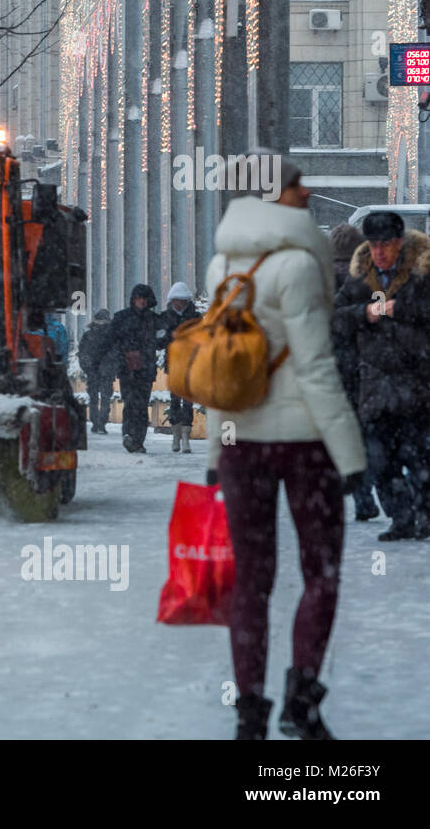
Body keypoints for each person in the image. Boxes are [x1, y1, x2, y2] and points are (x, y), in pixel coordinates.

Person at [205, 160, 366, 740]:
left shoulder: (223, 262)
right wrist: (350, 456)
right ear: (280, 198)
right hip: (304, 445)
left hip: (242, 445)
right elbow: (317, 367)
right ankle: (302, 698)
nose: (311, 191)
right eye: (301, 186)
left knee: (251, 580)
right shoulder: (300, 263)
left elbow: (219, 364)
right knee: (320, 573)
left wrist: (213, 451)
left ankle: (250, 712)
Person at [332, 211, 430, 542]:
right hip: (374, 387)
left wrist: (398, 310)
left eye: (386, 244)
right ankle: (401, 517)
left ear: (399, 243)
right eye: (374, 245)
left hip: (417, 384)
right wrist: (365, 313)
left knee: (418, 456)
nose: (380, 252)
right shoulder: (360, 280)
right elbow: (334, 319)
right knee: (379, 460)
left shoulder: (420, 275)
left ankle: (425, 515)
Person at [329, 222, 381, 523]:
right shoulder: (368, 279)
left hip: (327, 367)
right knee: (367, 434)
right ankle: (365, 494)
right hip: (366, 366)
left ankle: (339, 497)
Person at [108, 284, 161, 453]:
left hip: (146, 369)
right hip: (127, 368)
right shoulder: (121, 318)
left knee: (142, 406)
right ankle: (129, 436)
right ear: (133, 299)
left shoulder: (153, 320)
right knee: (131, 404)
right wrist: (122, 356)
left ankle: (138, 439)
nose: (142, 302)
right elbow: (111, 342)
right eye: (139, 298)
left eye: (145, 299)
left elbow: (159, 341)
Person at [158, 282, 200, 453]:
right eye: (176, 300)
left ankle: (186, 437)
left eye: (181, 300)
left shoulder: (195, 317)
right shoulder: (165, 317)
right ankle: (176, 435)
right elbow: (160, 340)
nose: (178, 304)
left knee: (188, 401)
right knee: (175, 399)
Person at [77, 308, 115, 434]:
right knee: (105, 398)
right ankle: (102, 423)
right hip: (106, 371)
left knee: (93, 398)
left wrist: (87, 367)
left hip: (93, 371)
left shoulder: (88, 334)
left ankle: (95, 422)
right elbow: (116, 353)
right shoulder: (111, 334)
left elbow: (82, 353)